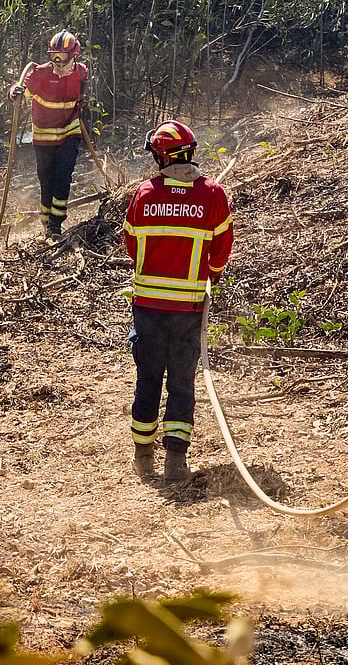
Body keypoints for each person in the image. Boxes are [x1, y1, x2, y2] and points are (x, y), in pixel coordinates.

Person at [121, 121, 233, 481]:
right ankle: (175, 463)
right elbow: (221, 252)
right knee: (182, 381)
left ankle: (142, 457)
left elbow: (131, 244)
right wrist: (208, 276)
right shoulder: (213, 196)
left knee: (148, 377)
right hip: (189, 308)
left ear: (160, 157)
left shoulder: (143, 195)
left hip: (148, 307)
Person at [10, 29, 89, 238]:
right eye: (54, 58)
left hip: (69, 132)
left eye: (62, 59)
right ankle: (45, 220)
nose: (58, 64)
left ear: (74, 57)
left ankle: (55, 224)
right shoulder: (40, 73)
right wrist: (13, 92)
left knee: (63, 177)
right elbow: (19, 91)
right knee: (47, 180)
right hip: (43, 138)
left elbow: (83, 88)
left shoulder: (81, 72)